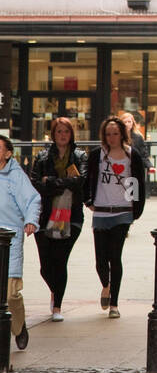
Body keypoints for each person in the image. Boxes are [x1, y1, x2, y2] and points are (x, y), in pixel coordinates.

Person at [84, 116, 147, 318]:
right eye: (108, 134)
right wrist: (89, 200)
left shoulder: (131, 155)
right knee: (100, 260)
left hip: (122, 212)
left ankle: (114, 304)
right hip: (101, 211)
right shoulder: (97, 155)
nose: (112, 138)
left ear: (122, 134)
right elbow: (88, 178)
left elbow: (137, 182)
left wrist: (135, 210)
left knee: (115, 257)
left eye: (115, 133)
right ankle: (106, 285)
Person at [31, 116, 89, 321]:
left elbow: (79, 182)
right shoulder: (43, 156)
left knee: (60, 260)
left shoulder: (80, 156)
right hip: (45, 215)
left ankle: (57, 306)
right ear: (53, 134)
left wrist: (52, 182)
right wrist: (63, 182)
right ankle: (55, 290)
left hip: (71, 216)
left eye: (66, 131)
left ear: (71, 134)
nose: (62, 135)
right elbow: (37, 183)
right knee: (45, 266)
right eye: (59, 132)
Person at [0, 135, 41, 349]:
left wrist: (31, 221)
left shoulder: (16, 176)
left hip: (9, 238)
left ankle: (19, 325)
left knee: (10, 292)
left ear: (8, 154)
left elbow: (32, 199)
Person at [118, 110, 152, 175]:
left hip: (134, 168)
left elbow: (143, 154)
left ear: (132, 123)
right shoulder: (117, 136)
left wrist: (149, 166)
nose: (127, 124)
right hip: (120, 166)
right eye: (125, 122)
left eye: (129, 122)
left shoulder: (138, 137)